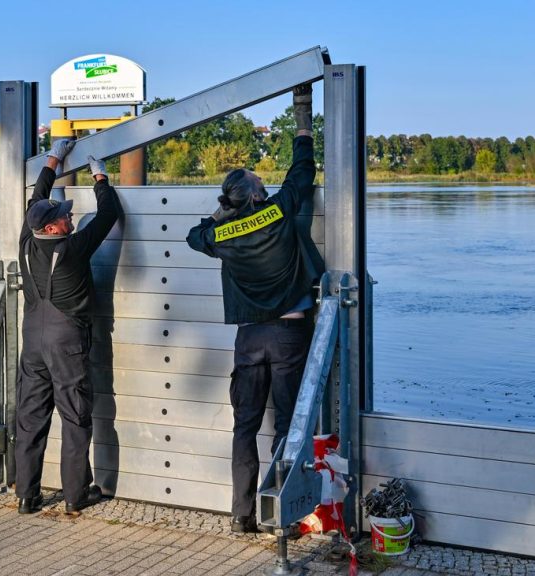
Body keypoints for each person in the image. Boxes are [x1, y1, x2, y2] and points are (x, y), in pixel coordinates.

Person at [187, 83, 324, 533]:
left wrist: (220, 215)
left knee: (244, 428)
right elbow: (302, 172)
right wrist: (303, 123)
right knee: (288, 425)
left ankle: (241, 515)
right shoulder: (280, 212)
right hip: (289, 334)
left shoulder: (221, 236)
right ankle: (284, 512)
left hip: (248, 340)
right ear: (258, 195)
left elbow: (195, 236)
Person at [15, 139, 121, 515]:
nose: (70, 217)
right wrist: (101, 177)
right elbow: (109, 213)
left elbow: (36, 199)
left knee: (30, 418)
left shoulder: (27, 241)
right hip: (67, 344)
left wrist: (53, 159)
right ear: (54, 227)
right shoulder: (74, 248)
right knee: (75, 417)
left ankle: (26, 496)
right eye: (64, 215)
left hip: (32, 341)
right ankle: (76, 495)